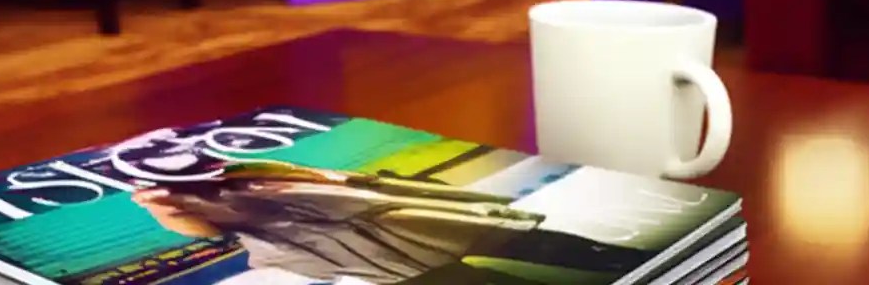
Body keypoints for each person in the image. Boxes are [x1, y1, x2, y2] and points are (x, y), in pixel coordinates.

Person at [132, 162, 649, 284]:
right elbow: (202, 230)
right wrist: (164, 202)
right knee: (467, 279)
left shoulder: (249, 173)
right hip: (342, 244)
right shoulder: (178, 203)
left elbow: (330, 180)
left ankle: (629, 263)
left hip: (365, 216)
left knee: (522, 241)